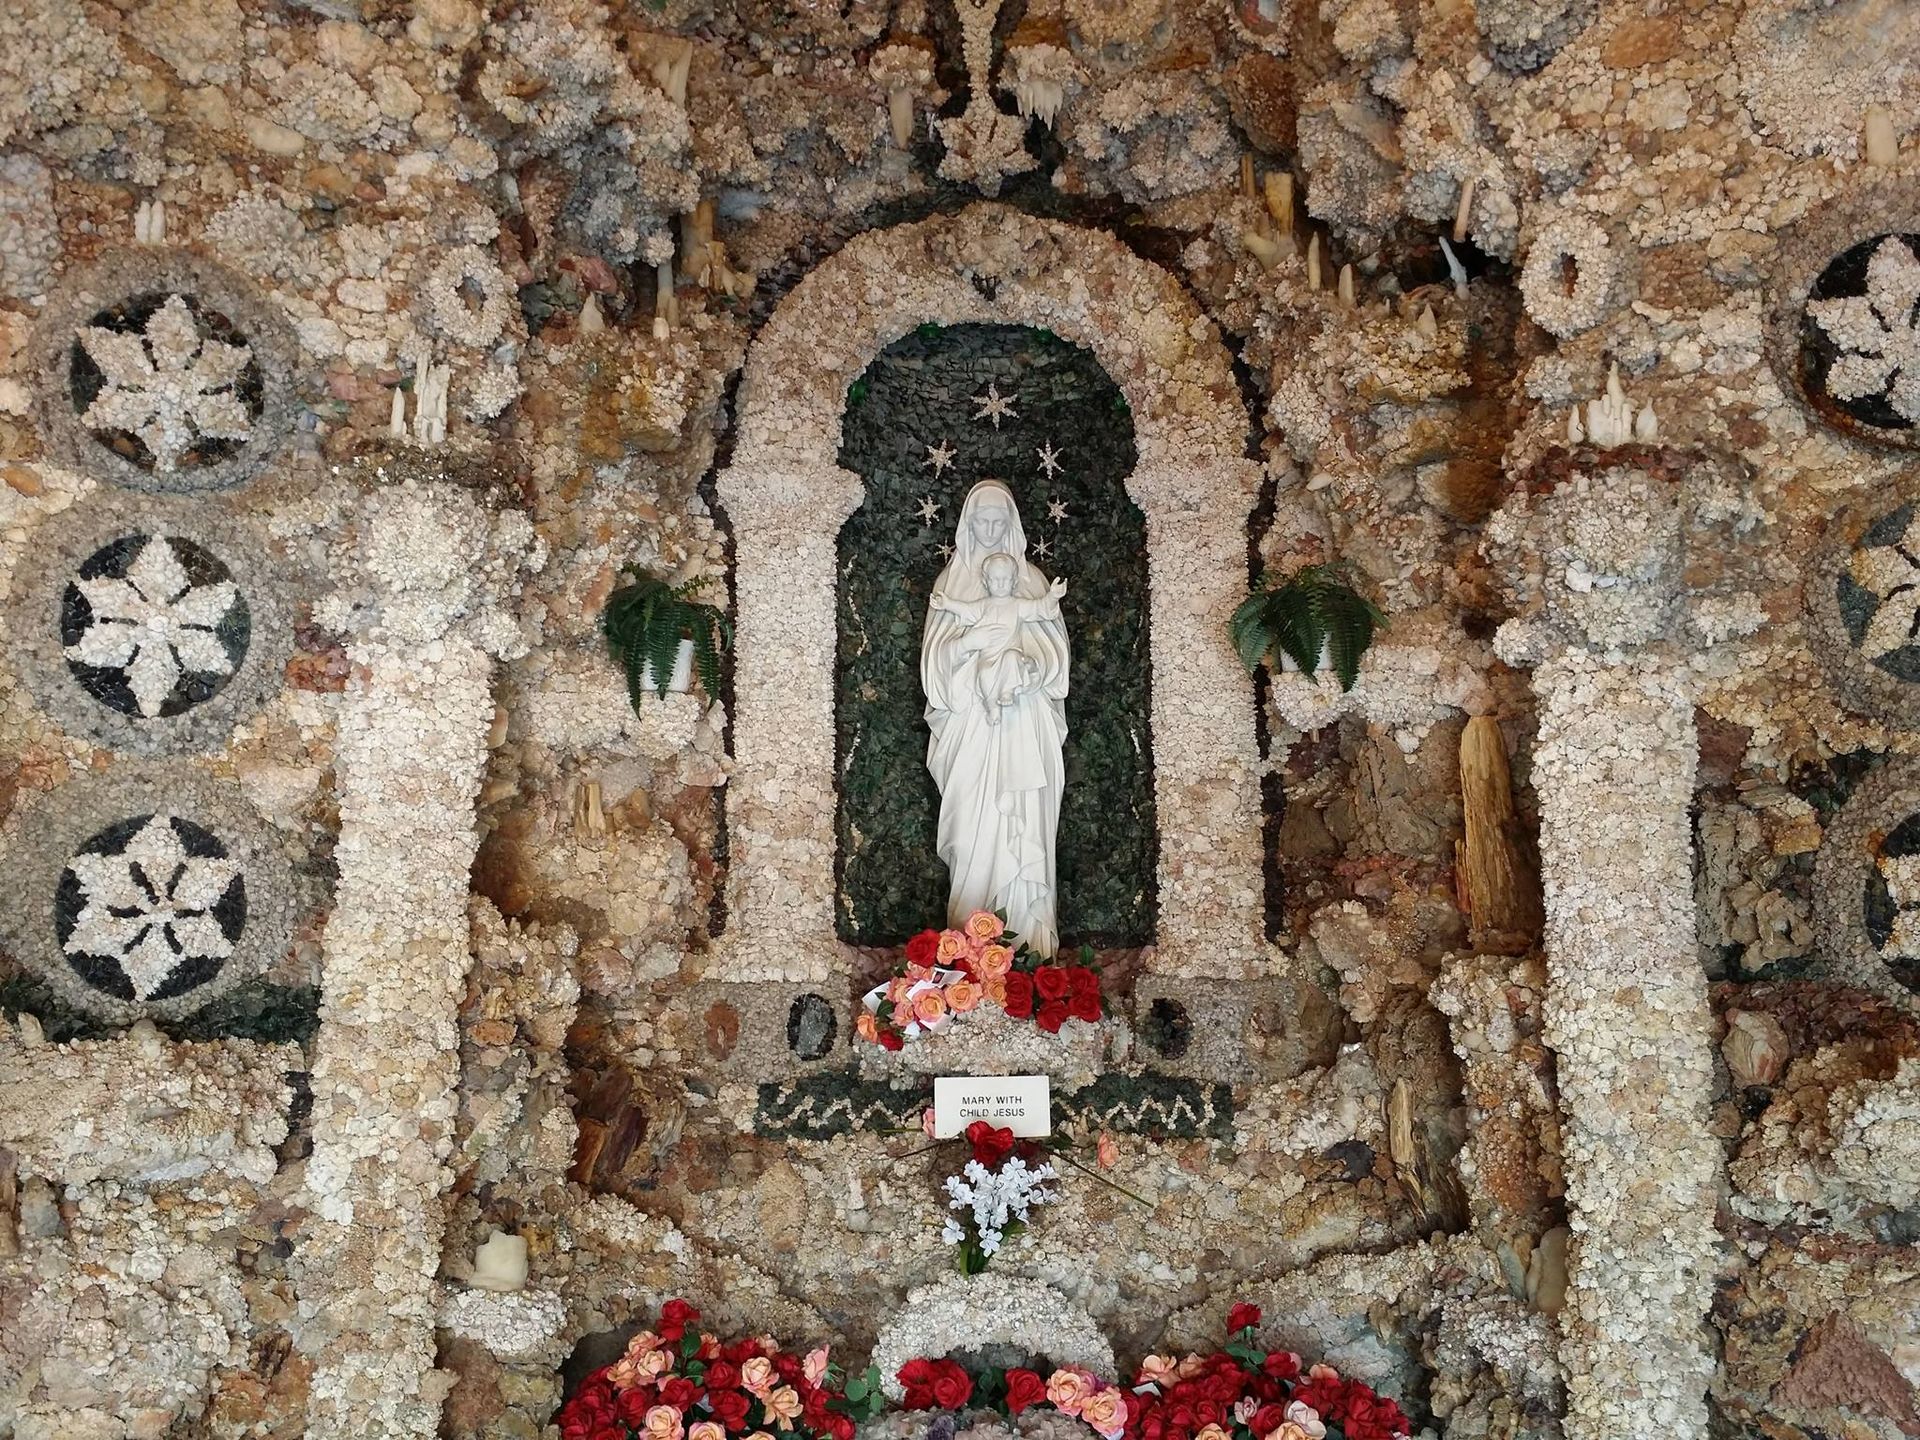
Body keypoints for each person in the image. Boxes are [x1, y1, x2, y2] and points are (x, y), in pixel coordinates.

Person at [920, 481, 1070, 957]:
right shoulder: (951, 584)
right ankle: (969, 949)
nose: (988, 530)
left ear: (1012, 524)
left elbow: (1056, 654)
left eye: (997, 521)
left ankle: (1029, 942)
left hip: (1024, 721)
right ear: (967, 523)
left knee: (1022, 823)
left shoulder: (1031, 582)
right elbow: (935, 664)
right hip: (973, 727)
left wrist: (1030, 670)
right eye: (980, 521)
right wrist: (968, 645)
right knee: (972, 827)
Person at [928, 552, 1068, 726]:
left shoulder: (1018, 605)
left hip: (1010, 652)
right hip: (988, 657)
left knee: (1012, 658)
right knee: (984, 674)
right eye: (995, 580)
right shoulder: (983, 606)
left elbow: (1039, 608)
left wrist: (1052, 597)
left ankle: (1007, 691)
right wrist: (947, 604)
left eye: (1005, 579)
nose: (1000, 584)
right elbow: (965, 609)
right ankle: (992, 705)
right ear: (986, 582)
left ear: (1014, 581)